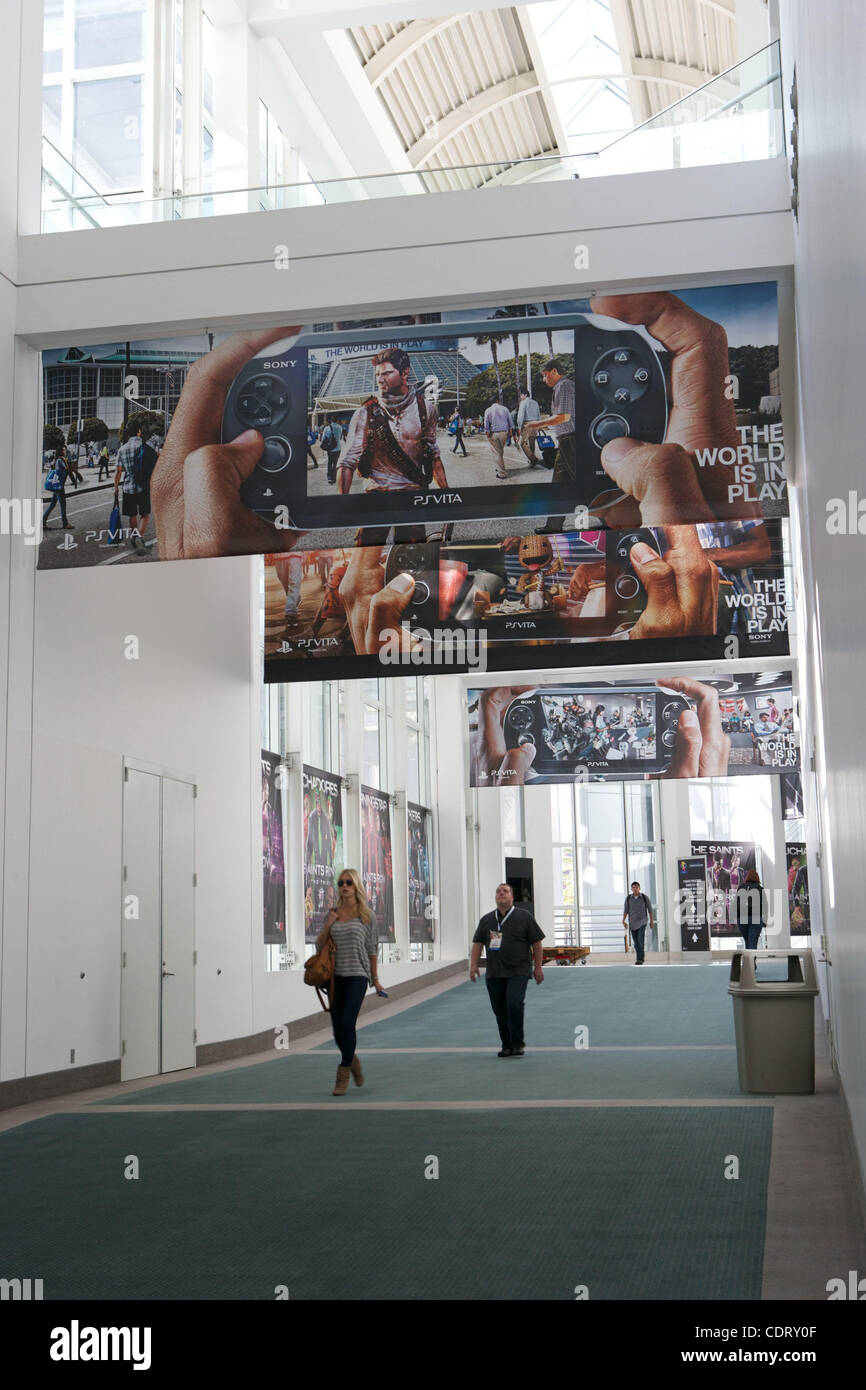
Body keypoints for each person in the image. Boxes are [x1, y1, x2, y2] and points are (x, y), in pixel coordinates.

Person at [338, 348, 448, 495]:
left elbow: (433, 456)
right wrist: (342, 505)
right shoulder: (365, 413)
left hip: (414, 495)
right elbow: (346, 463)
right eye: (377, 374)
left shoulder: (425, 409)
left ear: (405, 373)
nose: (380, 379)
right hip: (378, 497)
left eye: (387, 373)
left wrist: (447, 495)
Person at [316, 868, 384, 1095]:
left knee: (347, 1022)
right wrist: (329, 923)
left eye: (349, 883)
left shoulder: (367, 915)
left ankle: (343, 1073)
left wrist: (375, 978)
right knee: (337, 1031)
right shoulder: (333, 913)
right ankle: (352, 1059)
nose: (344, 886)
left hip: (357, 975)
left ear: (356, 886)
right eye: (341, 883)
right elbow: (319, 945)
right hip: (335, 978)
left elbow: (372, 949)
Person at [469, 883, 544, 1056]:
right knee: (499, 1009)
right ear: (495, 897)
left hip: (519, 970)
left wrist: (538, 967)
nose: (501, 893)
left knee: (514, 1003)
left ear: (512, 897)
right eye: (498, 891)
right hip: (495, 972)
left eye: (505, 891)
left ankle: (517, 1043)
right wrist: (473, 965)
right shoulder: (487, 920)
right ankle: (507, 1044)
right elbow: (478, 943)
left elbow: (537, 943)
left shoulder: (524, 917)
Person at [526, 360, 575, 533]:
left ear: (554, 371)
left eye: (545, 375)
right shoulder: (562, 387)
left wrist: (536, 424)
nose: (544, 379)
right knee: (558, 485)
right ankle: (553, 526)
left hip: (571, 440)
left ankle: (612, 518)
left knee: (581, 483)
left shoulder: (564, 386)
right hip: (565, 440)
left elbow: (564, 417)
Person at [114, 422, 158, 554]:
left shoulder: (122, 449)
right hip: (143, 486)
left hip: (127, 487)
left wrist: (116, 487)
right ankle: (139, 537)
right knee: (145, 514)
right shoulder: (146, 446)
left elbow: (118, 471)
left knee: (132, 514)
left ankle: (134, 537)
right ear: (139, 431)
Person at [735, 868, 766, 950]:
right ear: (757, 878)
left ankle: (748, 962)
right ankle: (751, 962)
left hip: (742, 918)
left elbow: (736, 903)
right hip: (755, 918)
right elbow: (765, 905)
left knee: (748, 942)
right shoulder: (760, 888)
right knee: (752, 943)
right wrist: (764, 920)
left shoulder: (741, 887)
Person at [42, 446, 73, 530]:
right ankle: (65, 523)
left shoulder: (59, 459)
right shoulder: (60, 460)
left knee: (52, 505)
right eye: (64, 449)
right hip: (58, 487)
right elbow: (64, 470)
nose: (65, 451)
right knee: (63, 505)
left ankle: (43, 522)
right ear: (61, 451)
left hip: (57, 486)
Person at [483, 399, 514, 481]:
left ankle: (502, 473)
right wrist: (511, 433)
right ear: (498, 401)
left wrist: (487, 432)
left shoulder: (488, 410)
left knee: (496, 452)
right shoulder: (505, 409)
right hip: (504, 433)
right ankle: (499, 467)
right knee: (500, 451)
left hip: (494, 433)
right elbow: (510, 422)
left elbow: (486, 423)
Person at [623, 881, 653, 965]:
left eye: (637, 887)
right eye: (633, 887)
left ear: (639, 888)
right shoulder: (628, 898)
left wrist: (651, 921)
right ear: (631, 889)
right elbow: (625, 911)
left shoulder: (644, 897)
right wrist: (623, 920)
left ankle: (639, 959)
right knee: (636, 943)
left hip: (642, 922)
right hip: (632, 923)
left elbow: (650, 910)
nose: (635, 889)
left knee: (640, 941)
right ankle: (640, 958)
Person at [516, 391, 542, 467]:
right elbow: (538, 414)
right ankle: (532, 461)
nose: (520, 396)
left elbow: (520, 416)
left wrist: (519, 426)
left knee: (523, 443)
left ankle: (533, 459)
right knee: (532, 442)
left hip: (527, 424)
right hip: (535, 423)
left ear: (525, 395)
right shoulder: (535, 403)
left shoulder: (523, 402)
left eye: (521, 394)